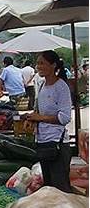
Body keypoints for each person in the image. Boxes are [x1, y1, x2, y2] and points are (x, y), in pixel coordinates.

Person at [26, 51, 71, 192]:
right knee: (49, 188)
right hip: (43, 143)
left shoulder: (61, 87)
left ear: (53, 65)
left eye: (42, 63)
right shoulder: (42, 85)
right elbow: (40, 112)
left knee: (61, 189)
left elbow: (64, 118)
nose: (38, 66)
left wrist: (40, 118)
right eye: (37, 63)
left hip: (57, 144)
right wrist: (32, 119)